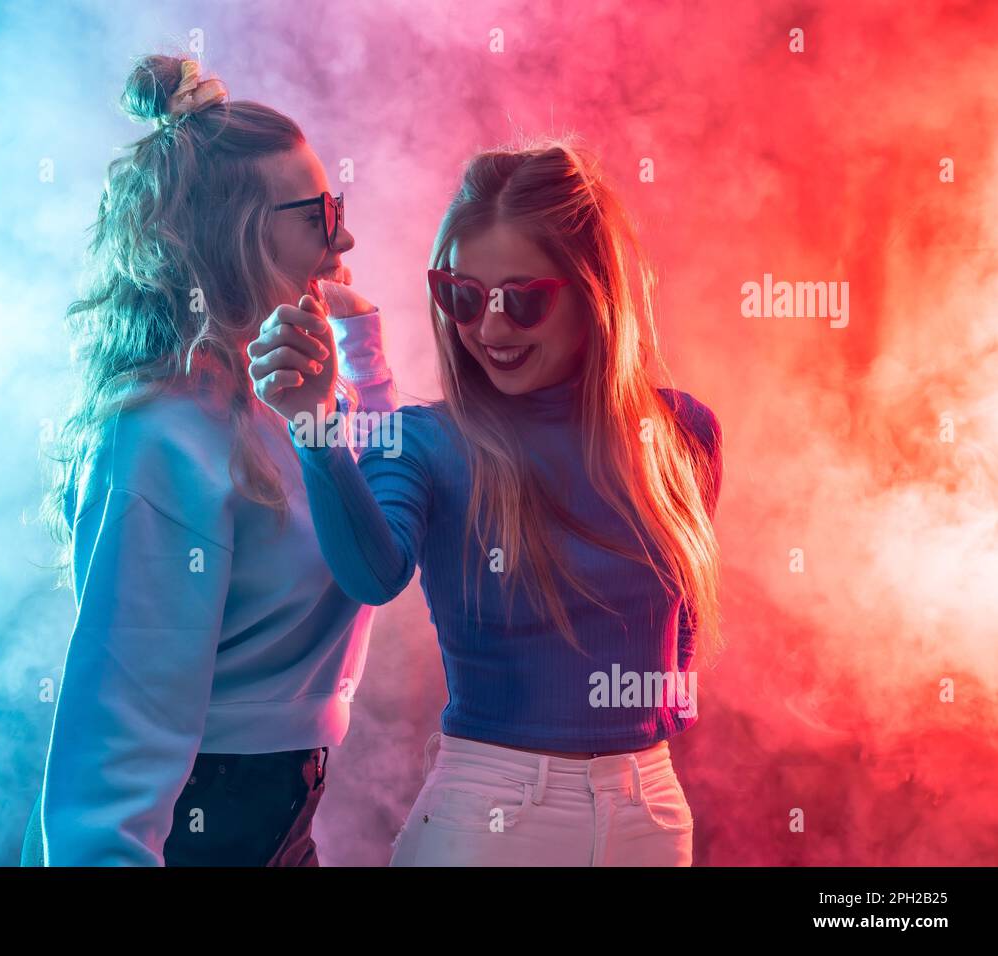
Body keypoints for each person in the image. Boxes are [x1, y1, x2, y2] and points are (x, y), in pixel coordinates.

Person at [250, 139, 724, 866]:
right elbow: (374, 574)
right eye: (462, 297)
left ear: (594, 291)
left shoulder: (684, 431)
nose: (491, 330)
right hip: (491, 817)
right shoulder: (425, 442)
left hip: (650, 814)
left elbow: (676, 657)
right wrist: (315, 431)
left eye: (524, 300)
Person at [23, 54, 397, 866]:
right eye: (321, 211)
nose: (348, 233)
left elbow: (387, 519)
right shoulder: (155, 437)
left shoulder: (283, 391)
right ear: (239, 235)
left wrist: (362, 341)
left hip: (281, 821)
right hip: (199, 826)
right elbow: (118, 738)